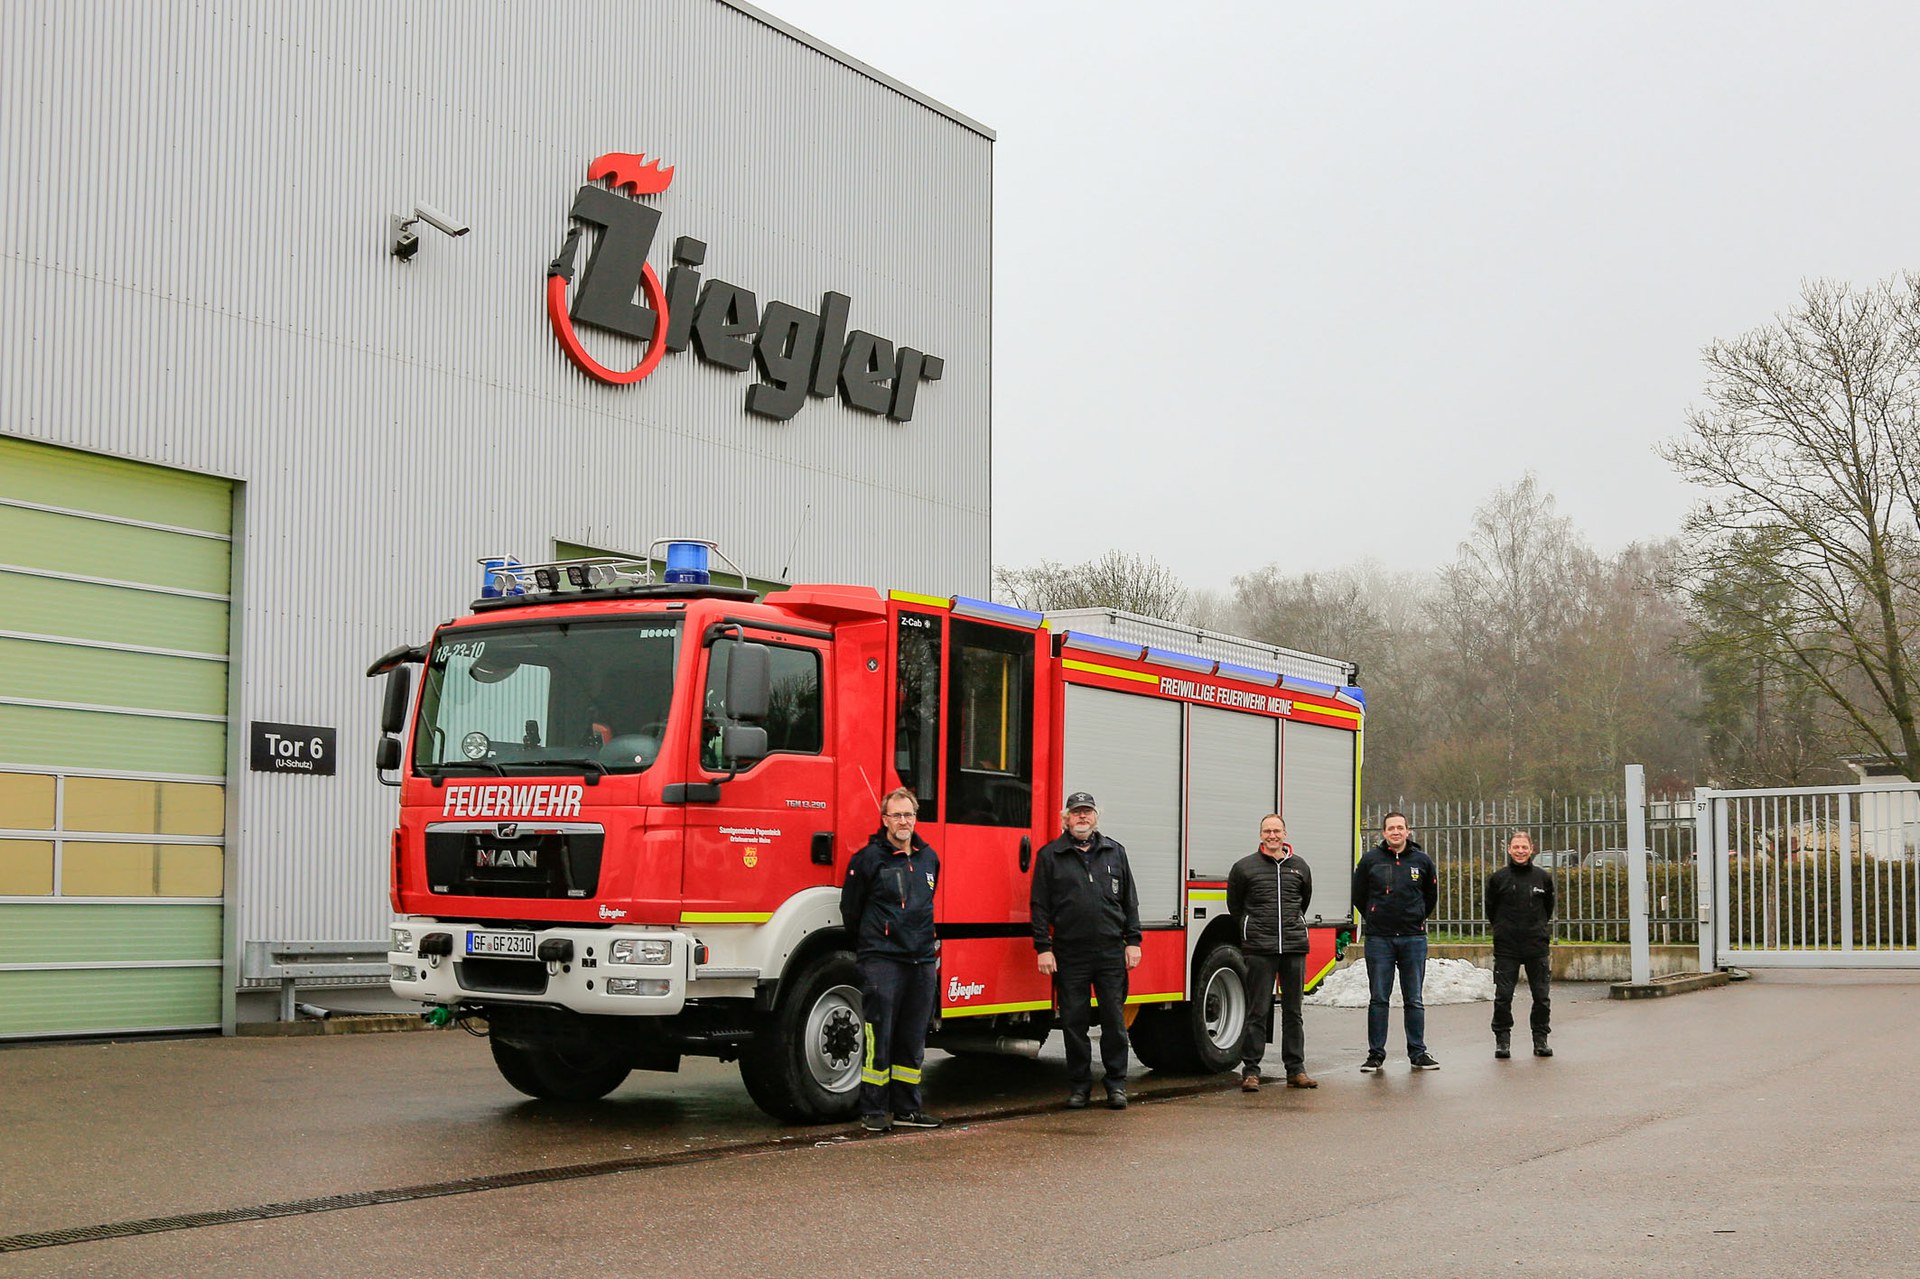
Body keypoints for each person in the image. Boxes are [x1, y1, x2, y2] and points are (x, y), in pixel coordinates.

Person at [840, 787, 942, 1133]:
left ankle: (907, 1110)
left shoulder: (929, 858)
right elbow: (851, 910)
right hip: (882, 960)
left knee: (913, 1039)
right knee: (877, 1036)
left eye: (909, 815)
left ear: (915, 818)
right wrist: (870, 948)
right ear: (884, 819)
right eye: (896, 815)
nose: (903, 821)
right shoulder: (867, 860)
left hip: (922, 960)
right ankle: (873, 1110)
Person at [1031, 791, 1142, 1110]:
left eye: (1088, 812)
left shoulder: (1115, 852)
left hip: (1110, 952)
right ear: (1065, 818)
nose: (1082, 817)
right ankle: (1080, 1086)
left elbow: (1130, 901)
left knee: (1114, 1022)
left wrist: (1133, 941)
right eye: (1076, 812)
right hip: (1070, 953)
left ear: (1096, 817)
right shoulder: (1050, 855)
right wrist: (1043, 948)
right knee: (1074, 1023)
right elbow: (1039, 906)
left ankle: (1116, 1085)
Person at [1227, 814, 1317, 1092]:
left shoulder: (1300, 867)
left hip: (1293, 947)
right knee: (1258, 1011)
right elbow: (1235, 906)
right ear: (1260, 834)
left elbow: (1304, 900)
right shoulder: (1244, 868)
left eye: (1276, 830)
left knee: (1294, 1012)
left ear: (1285, 833)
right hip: (1259, 948)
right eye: (1267, 831)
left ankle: (1296, 1070)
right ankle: (1251, 1071)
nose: (1272, 835)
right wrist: (1250, 929)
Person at [1352, 811, 1440, 1072]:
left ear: (1408, 831)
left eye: (1400, 827)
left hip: (1413, 938)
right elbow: (1359, 896)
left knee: (1414, 998)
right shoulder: (1370, 861)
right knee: (1379, 998)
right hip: (1380, 939)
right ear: (1383, 833)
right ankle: (1375, 1054)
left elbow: (1430, 896)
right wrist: (1375, 916)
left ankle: (1418, 1052)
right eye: (1391, 828)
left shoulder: (1422, 861)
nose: (1396, 832)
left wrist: (1415, 918)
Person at [1484, 828, 1556, 1059]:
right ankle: (1502, 1041)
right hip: (1507, 948)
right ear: (1509, 849)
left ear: (1532, 849)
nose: (1520, 851)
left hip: (1536, 946)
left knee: (1541, 997)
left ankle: (1540, 1039)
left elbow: (1548, 908)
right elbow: (1491, 910)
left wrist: (1539, 929)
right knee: (1503, 996)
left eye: (1524, 847)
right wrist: (1502, 930)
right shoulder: (1498, 879)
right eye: (1516, 847)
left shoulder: (1543, 878)